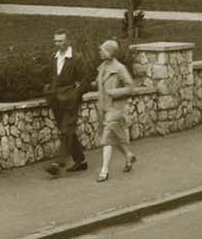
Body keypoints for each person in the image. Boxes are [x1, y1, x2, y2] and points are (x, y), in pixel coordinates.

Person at [43, 30, 89, 176]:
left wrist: (75, 94)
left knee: (66, 129)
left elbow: (85, 80)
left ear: (68, 41)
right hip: (56, 100)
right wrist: (49, 90)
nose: (58, 44)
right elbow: (52, 77)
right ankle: (81, 161)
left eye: (61, 41)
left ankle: (58, 162)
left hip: (71, 100)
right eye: (56, 41)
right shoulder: (54, 57)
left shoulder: (77, 58)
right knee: (67, 130)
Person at [93, 40, 138, 182]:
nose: (100, 52)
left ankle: (104, 170)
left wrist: (115, 92)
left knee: (107, 136)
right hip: (104, 108)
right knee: (114, 136)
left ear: (110, 52)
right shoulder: (102, 67)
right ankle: (128, 156)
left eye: (103, 50)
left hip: (116, 108)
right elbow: (99, 83)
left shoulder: (119, 68)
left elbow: (131, 87)